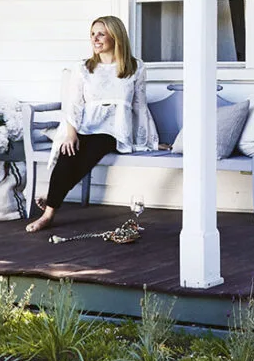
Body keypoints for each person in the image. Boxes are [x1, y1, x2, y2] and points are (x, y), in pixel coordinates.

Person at [25, 14, 158, 233]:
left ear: (115, 37)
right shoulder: (84, 68)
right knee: (69, 152)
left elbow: (139, 107)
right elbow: (74, 105)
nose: (95, 39)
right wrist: (71, 133)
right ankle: (48, 214)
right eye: (92, 34)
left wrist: (151, 140)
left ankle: (53, 198)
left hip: (114, 131)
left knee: (90, 150)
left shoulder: (135, 67)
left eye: (101, 34)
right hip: (85, 126)